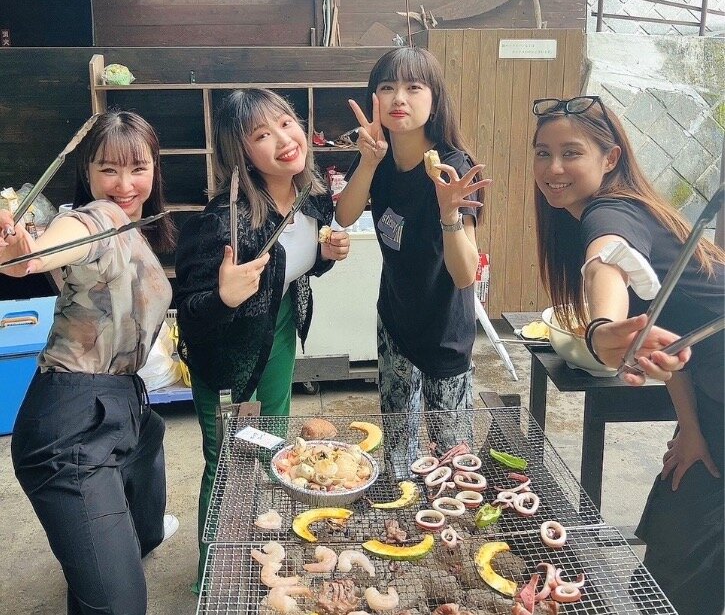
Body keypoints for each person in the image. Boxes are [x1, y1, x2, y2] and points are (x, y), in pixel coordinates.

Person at [531, 94, 724, 615]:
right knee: (675, 533)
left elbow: (608, 260)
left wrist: (600, 328)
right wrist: (691, 428)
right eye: (543, 153)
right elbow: (667, 337)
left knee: (691, 562)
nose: (553, 168)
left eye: (571, 153)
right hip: (710, 400)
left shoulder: (613, 210)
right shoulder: (596, 214)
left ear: (610, 157)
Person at [1, 110, 178, 615]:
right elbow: (50, 248)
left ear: (154, 169)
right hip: (69, 427)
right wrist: (27, 255)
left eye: (138, 168)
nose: (124, 185)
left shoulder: (139, 229)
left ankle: (128, 539)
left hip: (125, 405)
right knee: (120, 605)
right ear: (88, 171)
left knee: (152, 442)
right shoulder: (96, 217)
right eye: (108, 169)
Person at [174, 88, 350, 590]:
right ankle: (214, 578)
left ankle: (257, 547)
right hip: (226, 354)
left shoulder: (312, 196)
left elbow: (291, 270)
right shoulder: (222, 223)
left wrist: (325, 257)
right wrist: (222, 298)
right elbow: (190, 317)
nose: (283, 139)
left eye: (286, 123)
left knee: (270, 445)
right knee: (228, 462)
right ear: (242, 153)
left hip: (278, 334)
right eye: (261, 134)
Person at [335, 46, 490, 479]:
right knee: (398, 453)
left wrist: (449, 214)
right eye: (387, 87)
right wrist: (369, 161)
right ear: (374, 99)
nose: (398, 98)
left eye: (413, 87)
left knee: (452, 461)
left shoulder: (453, 169)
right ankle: (401, 504)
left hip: (445, 332)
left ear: (434, 100)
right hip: (394, 321)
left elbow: (465, 275)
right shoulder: (377, 157)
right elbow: (344, 215)